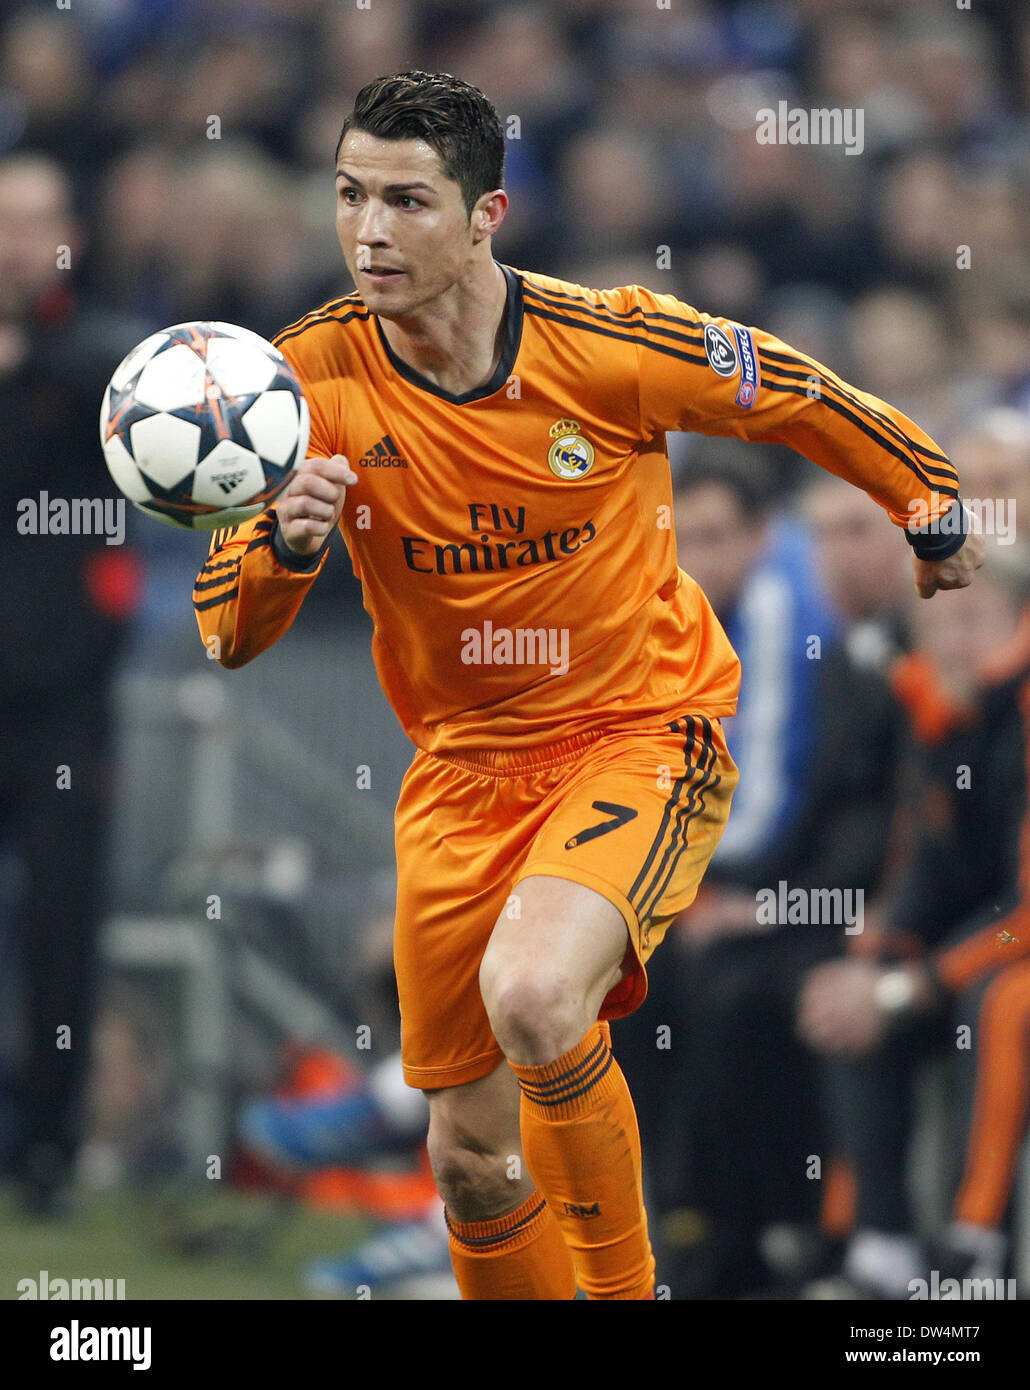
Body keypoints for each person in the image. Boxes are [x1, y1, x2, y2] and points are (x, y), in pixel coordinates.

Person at [192, 71, 982, 1300]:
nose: (369, 230)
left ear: (485, 214)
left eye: (406, 200)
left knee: (535, 991)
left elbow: (794, 389)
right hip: (460, 779)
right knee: (468, 1161)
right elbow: (225, 634)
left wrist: (928, 502)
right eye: (349, 195)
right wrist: (287, 547)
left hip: (640, 732)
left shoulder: (605, 342)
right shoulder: (307, 382)